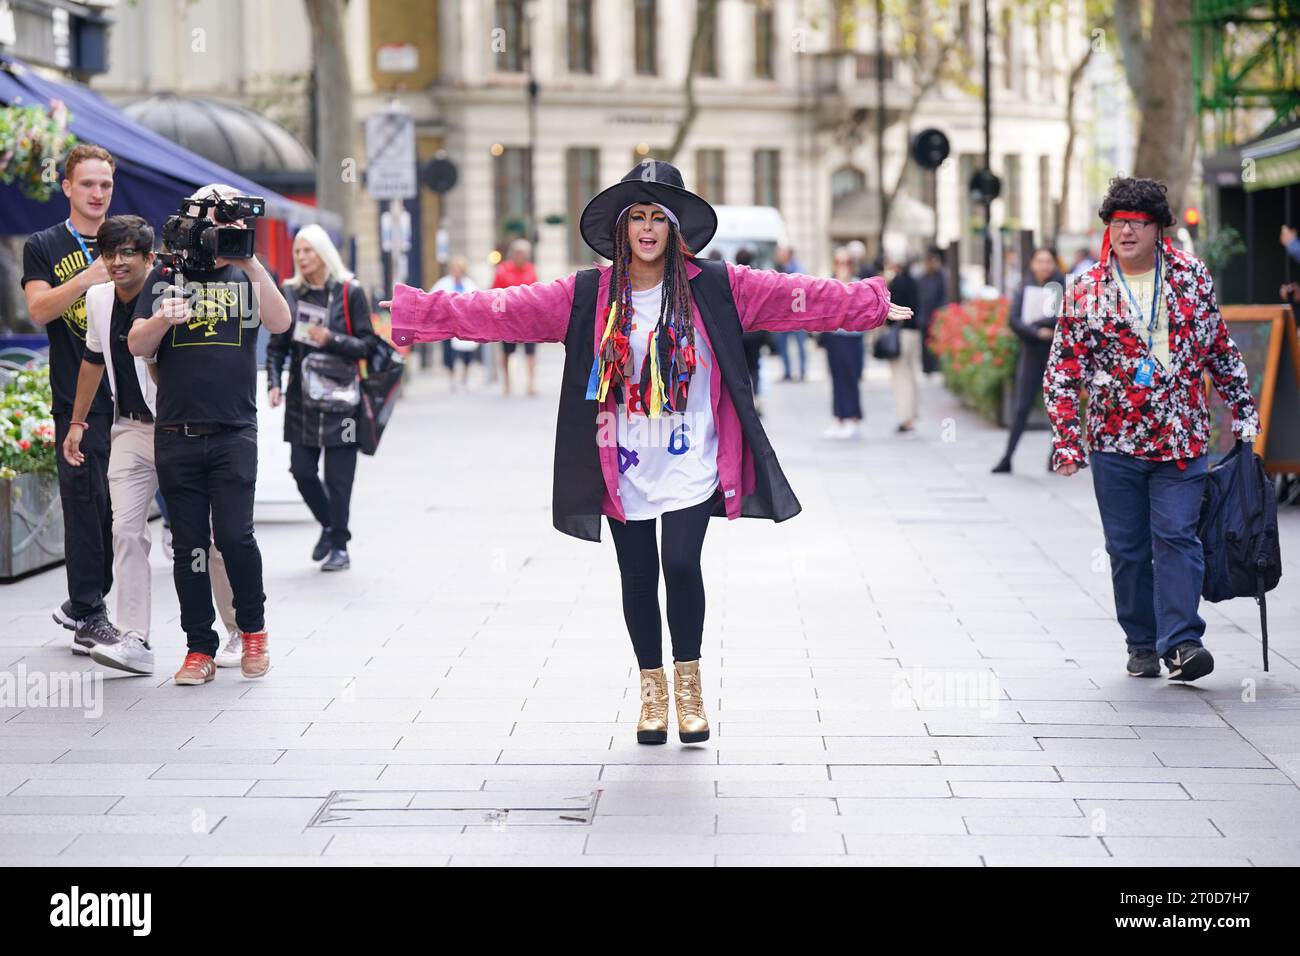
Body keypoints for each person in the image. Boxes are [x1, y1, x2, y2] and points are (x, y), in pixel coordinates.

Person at [383, 161, 910, 744]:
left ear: (676, 226)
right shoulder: (588, 294)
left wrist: (867, 305)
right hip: (622, 459)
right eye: (637, 216)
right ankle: (652, 690)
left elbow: (797, 297)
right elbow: (501, 310)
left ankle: (689, 686)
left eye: (659, 215)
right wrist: (416, 314)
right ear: (622, 228)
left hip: (691, 457)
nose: (648, 227)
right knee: (637, 574)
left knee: (681, 563)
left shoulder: (718, 287)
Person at [1045, 176, 1259, 683]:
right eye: (1117, 222)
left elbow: (1219, 349)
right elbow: (1063, 369)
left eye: (1136, 223)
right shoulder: (1086, 289)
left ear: (1158, 228)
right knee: (1127, 549)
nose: (1125, 231)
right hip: (1114, 441)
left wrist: (1243, 412)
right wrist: (1066, 441)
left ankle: (1183, 641)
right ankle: (1141, 640)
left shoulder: (1190, 277)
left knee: (1177, 536)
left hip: (1181, 436)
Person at [128, 183, 292, 686]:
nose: (230, 235)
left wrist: (251, 263)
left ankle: (254, 633)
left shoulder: (248, 274)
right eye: (222, 225)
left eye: (238, 226)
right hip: (177, 430)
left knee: (237, 537)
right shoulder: (165, 275)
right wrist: (160, 317)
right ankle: (199, 647)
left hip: (234, 429)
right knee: (190, 545)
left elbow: (281, 322)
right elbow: (136, 344)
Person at [61, 216, 239, 674]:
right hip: (130, 429)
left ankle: (238, 630)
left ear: (148, 257)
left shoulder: (171, 293)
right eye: (109, 253)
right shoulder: (99, 299)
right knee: (125, 530)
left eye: (127, 253)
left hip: (182, 428)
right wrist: (78, 421)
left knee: (210, 539)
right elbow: (92, 362)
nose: (117, 262)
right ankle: (134, 638)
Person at [20, 144, 119, 656]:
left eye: (105, 184)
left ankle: (83, 602)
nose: (98, 193)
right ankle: (90, 613)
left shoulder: (127, 239)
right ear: (67, 187)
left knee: (112, 511)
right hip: (74, 401)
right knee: (84, 504)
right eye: (88, 184)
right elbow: (38, 309)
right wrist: (87, 277)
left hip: (128, 399)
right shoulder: (43, 244)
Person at [266, 224, 376, 574]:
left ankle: (339, 546)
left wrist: (331, 339)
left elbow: (368, 346)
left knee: (339, 479)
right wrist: (274, 381)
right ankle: (331, 526)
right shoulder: (290, 293)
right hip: (303, 399)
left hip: (343, 400)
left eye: (307, 250)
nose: (301, 257)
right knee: (301, 470)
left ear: (323, 252)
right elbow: (277, 345)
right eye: (297, 251)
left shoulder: (349, 292)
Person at [992, 247, 1066, 473]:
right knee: (1021, 406)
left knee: (1057, 406)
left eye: (1048, 261)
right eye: (1039, 261)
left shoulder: (1062, 286)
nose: (1044, 266)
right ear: (1032, 263)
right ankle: (1007, 457)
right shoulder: (1024, 286)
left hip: (1055, 354)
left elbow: (1066, 318)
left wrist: (1040, 324)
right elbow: (1014, 320)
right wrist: (1036, 332)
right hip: (1031, 352)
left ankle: (1055, 456)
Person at [823, 247, 867, 439]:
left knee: (851, 378)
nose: (843, 267)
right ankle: (839, 417)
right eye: (839, 262)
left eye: (846, 263)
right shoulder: (830, 285)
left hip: (852, 338)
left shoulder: (858, 285)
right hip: (834, 337)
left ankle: (853, 418)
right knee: (836, 378)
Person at [876, 254, 921, 432]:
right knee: (910, 375)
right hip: (913, 333)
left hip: (900, 334)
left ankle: (905, 418)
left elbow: (888, 309)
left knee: (901, 377)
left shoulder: (896, 283)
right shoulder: (913, 281)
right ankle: (912, 414)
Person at [493, 238, 539, 395]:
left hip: (528, 320)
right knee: (507, 353)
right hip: (509, 320)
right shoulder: (503, 270)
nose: (522, 256)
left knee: (531, 352)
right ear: (513, 254)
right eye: (519, 253)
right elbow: (495, 293)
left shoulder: (531, 270)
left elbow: (538, 293)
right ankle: (507, 383)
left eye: (525, 254)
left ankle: (531, 384)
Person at [431, 256, 482, 389]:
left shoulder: (469, 284)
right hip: (448, 323)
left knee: (467, 352)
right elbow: (432, 298)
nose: (456, 271)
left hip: (464, 323)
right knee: (449, 352)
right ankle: (452, 377)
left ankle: (465, 377)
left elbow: (477, 301)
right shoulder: (443, 283)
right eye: (454, 268)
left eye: (459, 268)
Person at [772, 245, 807, 382]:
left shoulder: (798, 268)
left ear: (788, 254)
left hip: (796, 315)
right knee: (782, 344)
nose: (778, 255)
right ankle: (787, 372)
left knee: (800, 345)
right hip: (782, 315)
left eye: (781, 253)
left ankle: (802, 371)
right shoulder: (778, 267)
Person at [915, 246, 948, 376]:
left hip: (935, 316)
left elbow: (943, 297)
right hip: (923, 316)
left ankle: (935, 366)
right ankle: (927, 367)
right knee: (924, 343)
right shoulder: (921, 279)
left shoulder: (940, 278)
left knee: (935, 342)